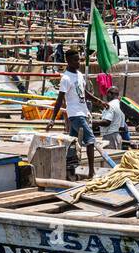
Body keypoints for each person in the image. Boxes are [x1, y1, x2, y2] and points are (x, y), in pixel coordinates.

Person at [46, 48, 96, 178]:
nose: (78, 62)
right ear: (68, 61)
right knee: (90, 140)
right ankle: (91, 172)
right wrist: (52, 119)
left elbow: (84, 93)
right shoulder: (66, 78)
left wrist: (99, 102)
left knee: (71, 144)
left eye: (78, 59)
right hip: (75, 114)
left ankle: (69, 171)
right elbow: (59, 99)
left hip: (83, 112)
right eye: (75, 60)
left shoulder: (79, 75)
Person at [99, 82, 124, 151]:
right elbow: (122, 126)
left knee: (109, 158)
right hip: (117, 136)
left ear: (110, 94)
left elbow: (106, 122)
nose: (106, 97)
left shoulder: (110, 105)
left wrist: (92, 122)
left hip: (109, 137)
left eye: (107, 95)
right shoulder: (120, 105)